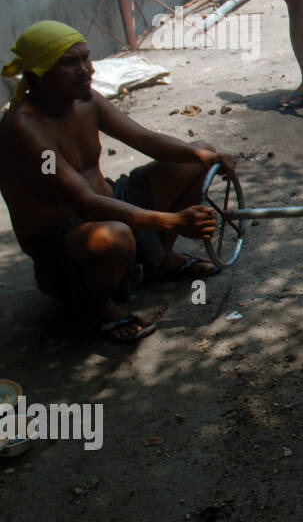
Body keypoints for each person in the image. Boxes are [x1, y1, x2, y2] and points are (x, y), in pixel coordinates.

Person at [0, 21, 236, 344]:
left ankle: (160, 260)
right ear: (39, 73)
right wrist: (174, 220)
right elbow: (84, 202)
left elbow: (142, 138)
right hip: (68, 237)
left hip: (109, 201)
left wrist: (205, 157)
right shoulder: (23, 129)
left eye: (86, 58)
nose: (86, 70)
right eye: (70, 63)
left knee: (196, 157)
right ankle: (94, 306)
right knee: (115, 235)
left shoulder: (86, 101)